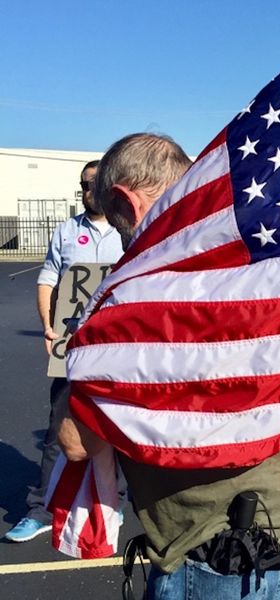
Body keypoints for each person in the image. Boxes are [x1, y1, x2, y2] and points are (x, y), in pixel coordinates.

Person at [58, 133, 280, 599]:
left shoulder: (144, 299)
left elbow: (76, 442)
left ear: (126, 200)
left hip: (205, 548)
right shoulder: (278, 271)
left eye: (117, 221)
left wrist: (84, 359)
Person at [4, 160, 124, 543]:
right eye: (86, 184)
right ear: (82, 189)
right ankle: (41, 510)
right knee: (60, 426)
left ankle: (113, 502)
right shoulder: (67, 231)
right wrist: (47, 326)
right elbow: (48, 280)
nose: (93, 190)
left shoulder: (130, 230)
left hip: (118, 346)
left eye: (99, 182)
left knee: (118, 426)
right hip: (71, 346)